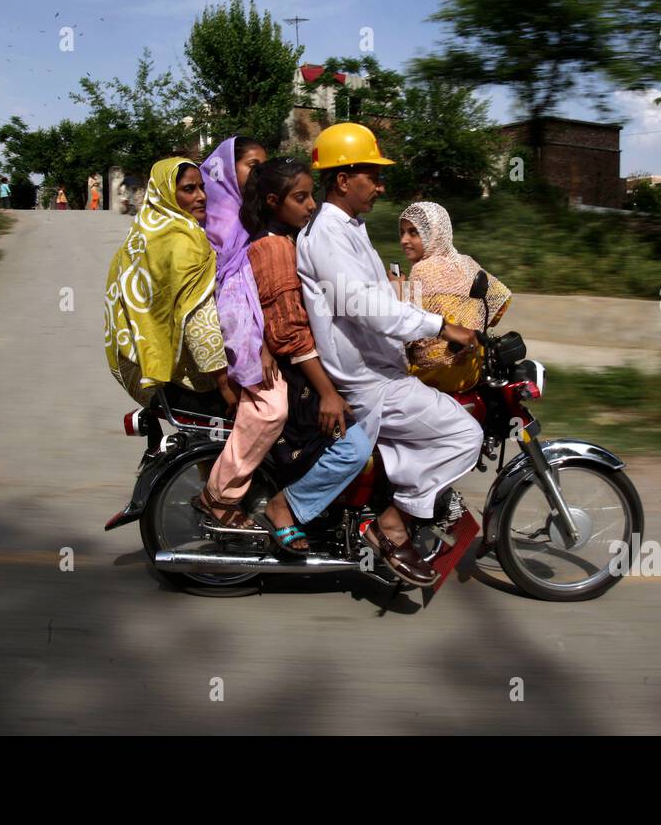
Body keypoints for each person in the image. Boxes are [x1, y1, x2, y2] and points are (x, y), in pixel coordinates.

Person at [296, 123, 484, 586]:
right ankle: (393, 524)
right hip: (367, 379)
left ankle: (392, 507)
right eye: (372, 177)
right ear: (343, 179)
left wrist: (418, 318)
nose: (380, 186)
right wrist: (443, 326)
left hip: (381, 366)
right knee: (465, 433)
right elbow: (364, 306)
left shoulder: (351, 228)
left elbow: (380, 298)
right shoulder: (327, 235)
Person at [103, 157, 261, 537]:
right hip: (183, 372)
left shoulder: (146, 230)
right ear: (166, 193)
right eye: (188, 189)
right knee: (266, 413)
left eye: (201, 186)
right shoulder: (184, 240)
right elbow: (198, 318)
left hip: (138, 362)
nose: (201, 196)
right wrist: (224, 382)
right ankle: (226, 501)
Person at [237, 156, 379, 553]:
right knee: (354, 446)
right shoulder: (275, 248)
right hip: (297, 374)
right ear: (271, 201)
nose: (311, 205)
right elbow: (289, 334)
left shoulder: (286, 240)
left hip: (304, 363)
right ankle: (286, 507)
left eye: (311, 196)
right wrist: (327, 392)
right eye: (300, 198)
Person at [198, 136, 299, 547]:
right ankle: (219, 495)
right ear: (225, 170)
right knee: (272, 408)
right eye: (250, 165)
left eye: (263, 166)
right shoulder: (217, 222)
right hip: (234, 330)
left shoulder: (251, 217)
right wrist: (257, 346)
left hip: (257, 327)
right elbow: (228, 298)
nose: (257, 173)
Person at [398, 201, 512, 392]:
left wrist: (399, 290)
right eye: (401, 232)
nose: (404, 240)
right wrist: (473, 324)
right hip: (473, 367)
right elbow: (501, 301)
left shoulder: (422, 270)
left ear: (433, 233)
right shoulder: (466, 262)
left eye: (413, 232)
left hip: (437, 373)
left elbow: (406, 328)